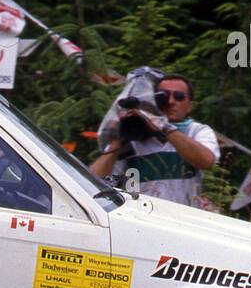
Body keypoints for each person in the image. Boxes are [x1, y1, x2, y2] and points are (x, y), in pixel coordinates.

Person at [88, 73, 219, 206]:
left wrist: (163, 127)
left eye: (179, 97)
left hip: (184, 218)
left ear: (189, 105)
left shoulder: (196, 131)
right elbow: (92, 183)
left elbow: (207, 162)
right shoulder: (134, 137)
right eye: (163, 96)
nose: (171, 101)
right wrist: (119, 139)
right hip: (142, 219)